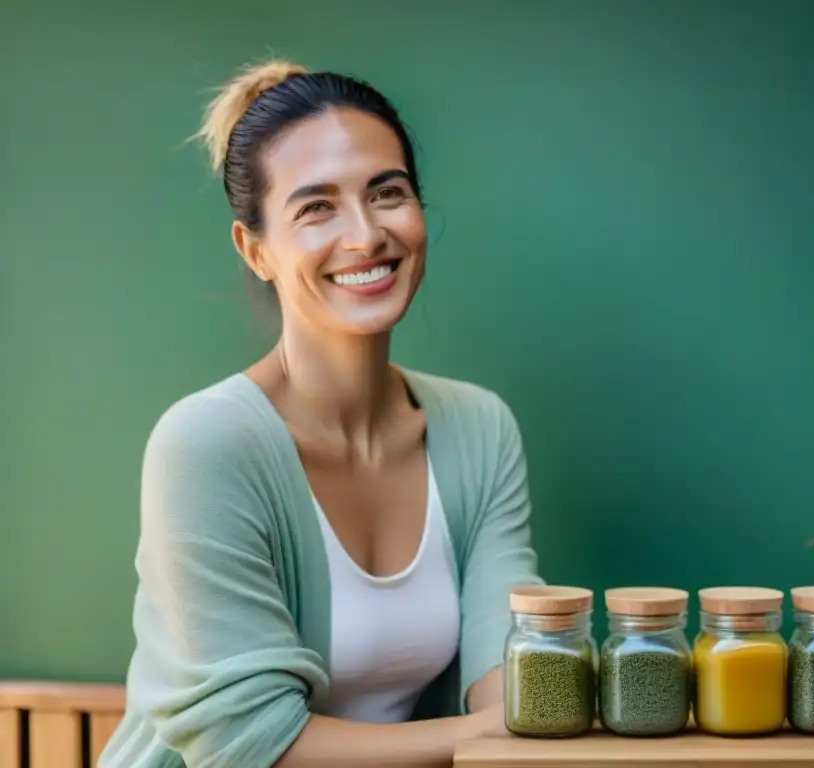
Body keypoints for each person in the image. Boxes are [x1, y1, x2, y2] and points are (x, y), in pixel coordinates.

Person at [100, 58, 544, 768]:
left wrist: (518, 725)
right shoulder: (206, 444)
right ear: (257, 251)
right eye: (316, 207)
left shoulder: (479, 428)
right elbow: (245, 744)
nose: (366, 235)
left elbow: (509, 673)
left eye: (387, 192)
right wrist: (480, 738)